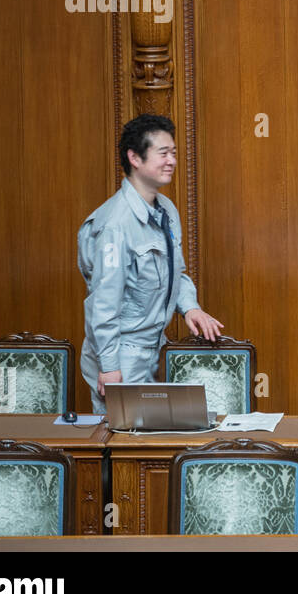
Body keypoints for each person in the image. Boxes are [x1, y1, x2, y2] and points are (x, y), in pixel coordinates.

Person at [78, 114, 224, 413]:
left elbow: (176, 272)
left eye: (174, 153)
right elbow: (103, 304)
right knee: (124, 449)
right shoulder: (116, 224)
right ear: (135, 157)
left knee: (149, 449)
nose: (171, 161)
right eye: (163, 153)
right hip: (121, 354)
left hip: (153, 348)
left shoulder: (166, 210)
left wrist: (190, 306)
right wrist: (109, 367)